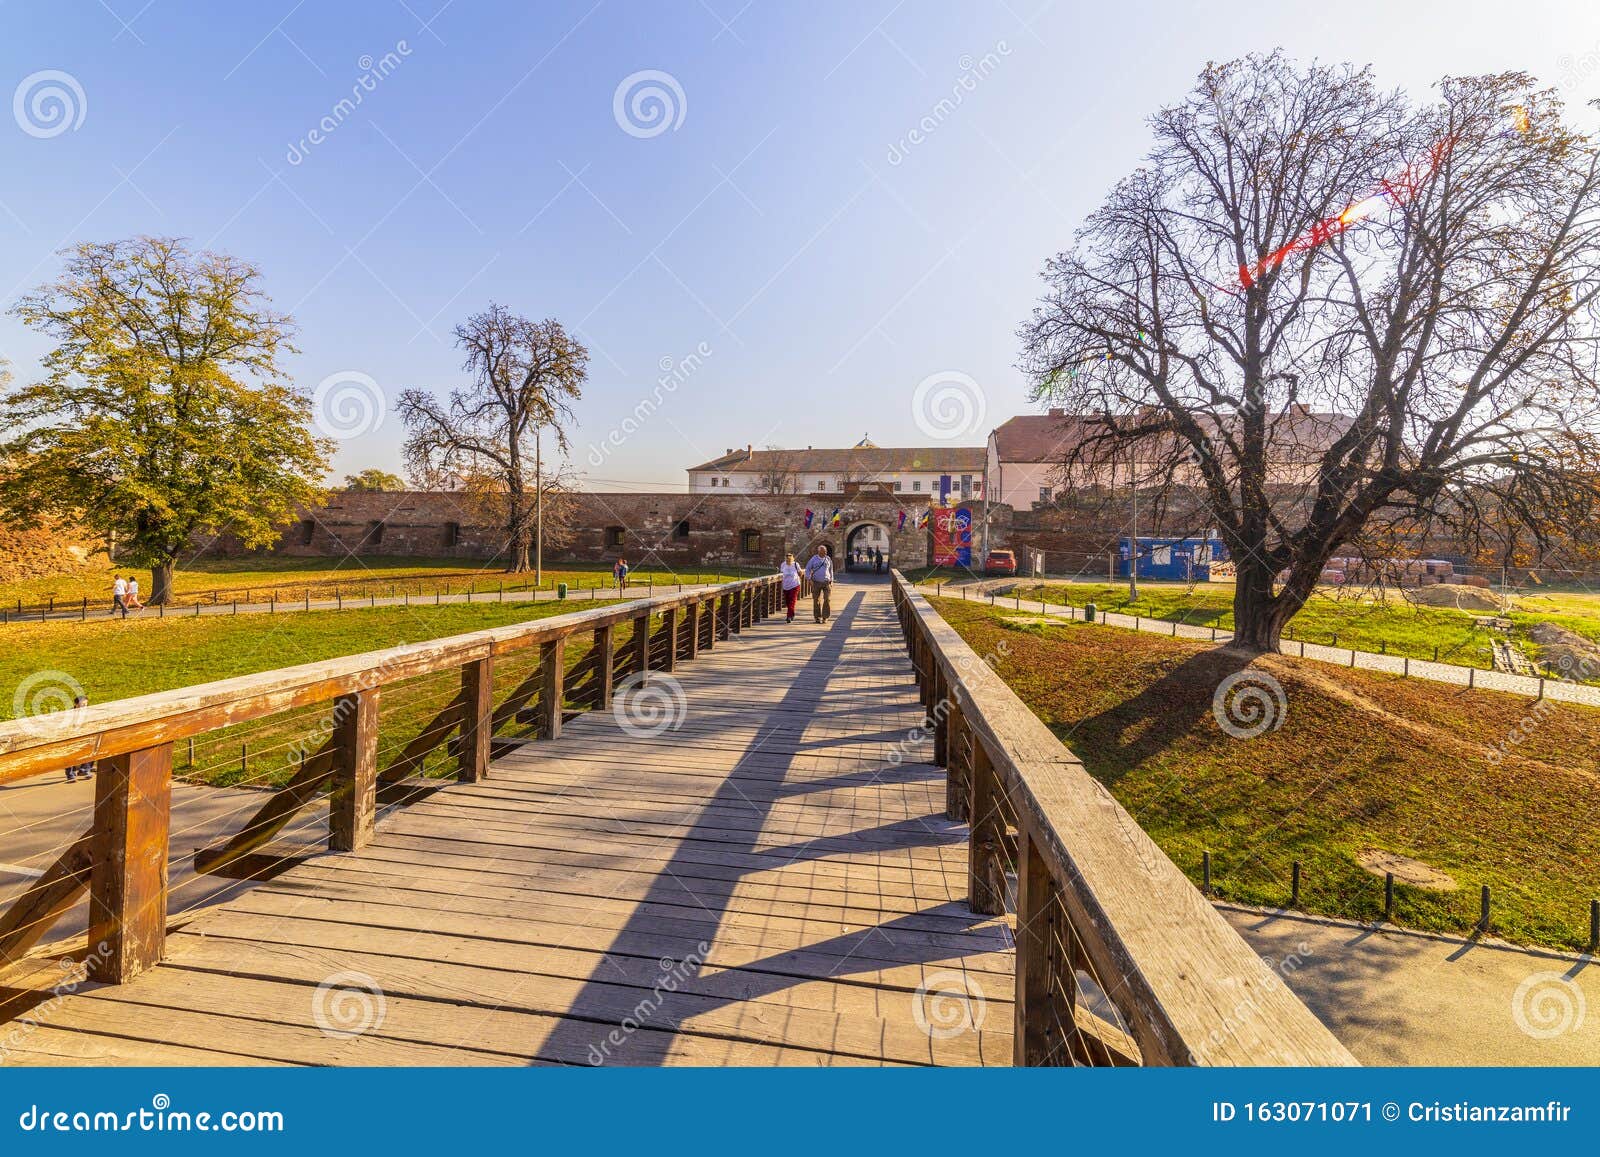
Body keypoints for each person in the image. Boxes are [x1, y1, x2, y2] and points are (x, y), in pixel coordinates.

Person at [65, 696, 94, 781]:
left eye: (86, 705)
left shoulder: (88, 712)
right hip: (71, 736)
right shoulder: (69, 713)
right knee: (71, 755)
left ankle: (84, 770)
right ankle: (70, 774)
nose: (84, 707)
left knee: (90, 750)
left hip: (84, 735)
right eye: (82, 705)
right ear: (76, 704)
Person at [805, 545, 834, 623]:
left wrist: (832, 580)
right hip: (816, 582)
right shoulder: (814, 559)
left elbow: (831, 570)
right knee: (816, 600)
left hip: (826, 582)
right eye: (823, 551)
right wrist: (809, 579)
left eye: (825, 551)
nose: (825, 553)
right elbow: (807, 569)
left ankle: (825, 617)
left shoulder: (828, 559)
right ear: (819, 552)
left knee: (827, 599)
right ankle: (817, 617)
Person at [779, 553, 802, 623]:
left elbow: (800, 572)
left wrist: (798, 577)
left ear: (792, 558)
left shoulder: (796, 564)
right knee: (788, 601)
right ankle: (792, 614)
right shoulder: (783, 564)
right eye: (787, 558)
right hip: (786, 586)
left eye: (790, 557)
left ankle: (788, 616)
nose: (788, 559)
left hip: (795, 585)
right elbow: (781, 573)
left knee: (792, 601)